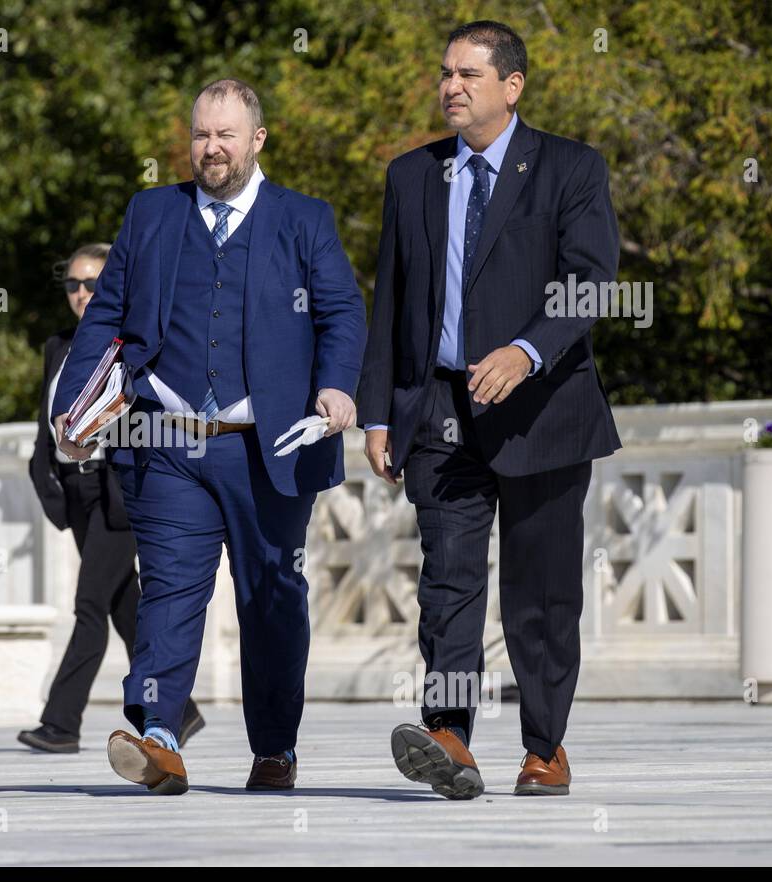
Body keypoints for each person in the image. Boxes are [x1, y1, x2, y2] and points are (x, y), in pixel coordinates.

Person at [52, 79, 366, 794]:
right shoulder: (152, 213)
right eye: (200, 135)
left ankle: (275, 748)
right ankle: (160, 736)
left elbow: (342, 312)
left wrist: (339, 384)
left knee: (271, 597)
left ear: (257, 139)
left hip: (272, 448)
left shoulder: (303, 219)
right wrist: (72, 411)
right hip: (168, 443)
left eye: (226, 134)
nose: (211, 148)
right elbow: (106, 317)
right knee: (167, 591)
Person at [357, 21, 622, 799]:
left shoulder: (570, 168)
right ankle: (450, 737)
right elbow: (391, 303)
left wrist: (525, 351)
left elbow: (590, 282)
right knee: (448, 586)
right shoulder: (411, 176)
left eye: (469, 74)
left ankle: (545, 749)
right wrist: (378, 411)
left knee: (540, 595)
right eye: (446, 73)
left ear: (512, 86)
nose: (452, 86)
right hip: (438, 411)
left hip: (543, 409)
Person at [22, 244, 204, 754]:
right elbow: (47, 429)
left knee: (89, 605)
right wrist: (48, 486)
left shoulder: (131, 344)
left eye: (93, 284)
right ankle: (180, 709)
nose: (82, 294)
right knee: (127, 607)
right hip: (77, 493)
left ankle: (60, 723)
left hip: (119, 492)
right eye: (74, 285)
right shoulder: (58, 346)